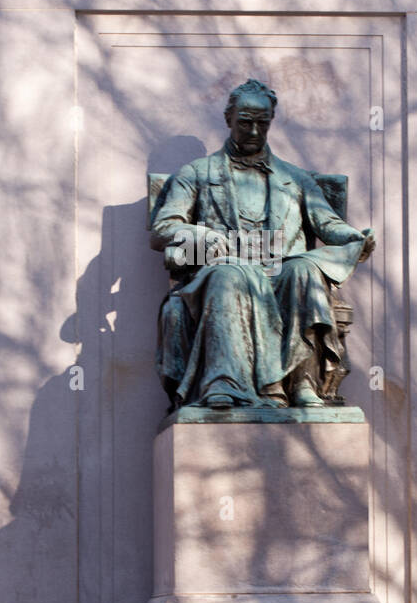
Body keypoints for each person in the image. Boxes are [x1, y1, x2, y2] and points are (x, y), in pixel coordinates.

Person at [150, 78, 375, 410]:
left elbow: (327, 224)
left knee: (305, 271)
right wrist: (206, 236)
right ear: (229, 119)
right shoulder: (196, 173)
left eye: (262, 123)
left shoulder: (296, 179)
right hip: (222, 269)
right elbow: (163, 228)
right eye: (245, 122)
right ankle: (222, 383)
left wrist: (356, 239)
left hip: (280, 269)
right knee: (230, 275)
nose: (254, 131)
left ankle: (302, 383)